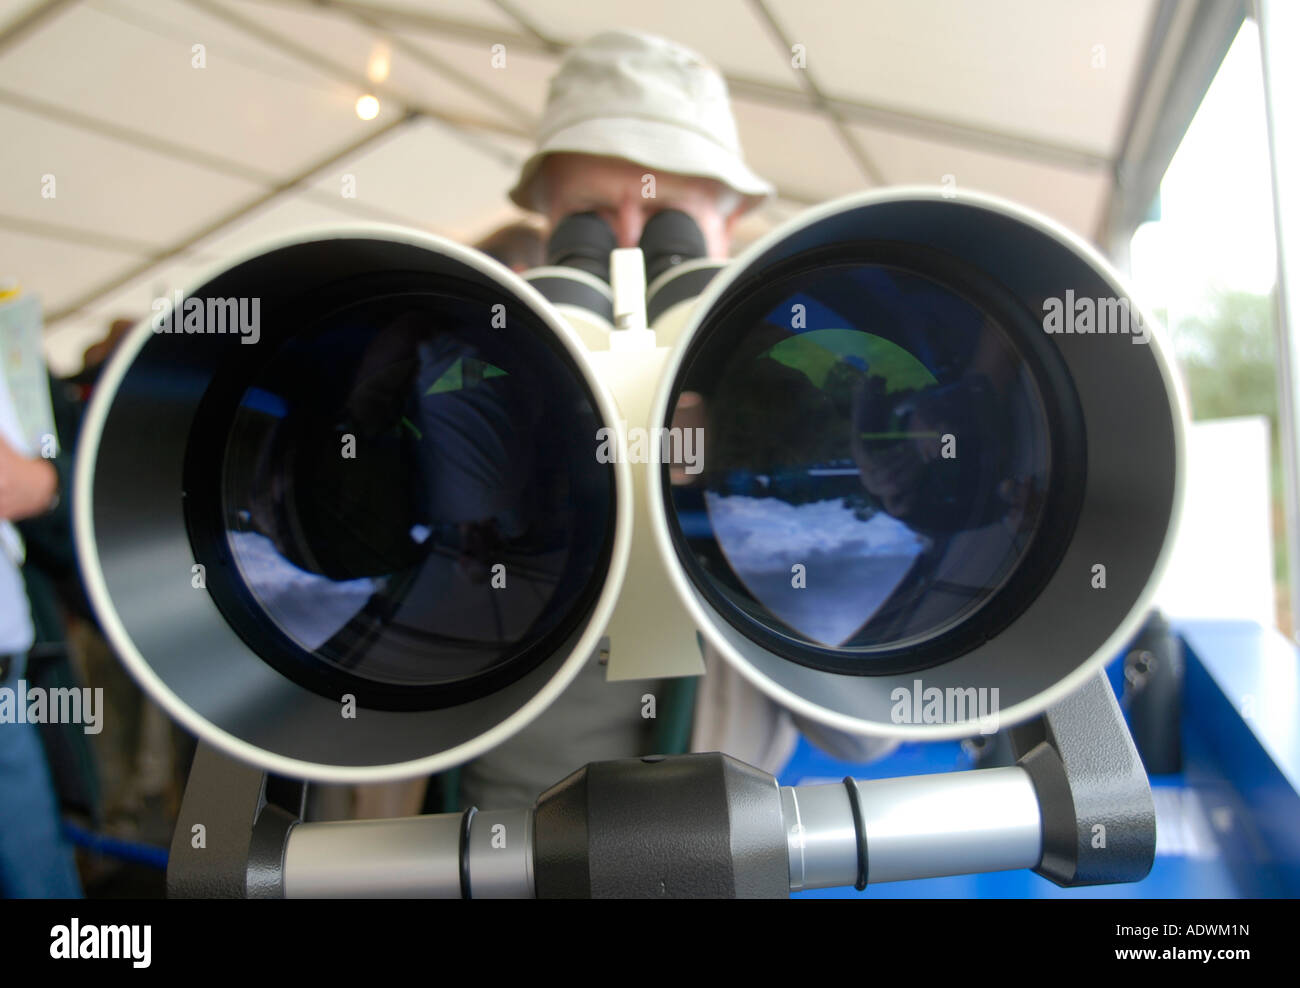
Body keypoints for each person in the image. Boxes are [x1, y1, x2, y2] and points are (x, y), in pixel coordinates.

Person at [455, 30, 894, 812]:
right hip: (467, 842)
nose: (627, 248)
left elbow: (863, 731)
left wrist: (722, 494)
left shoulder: (791, 385)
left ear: (729, 231)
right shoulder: (478, 370)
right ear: (544, 228)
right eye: (588, 221)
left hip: (709, 845)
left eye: (668, 226)